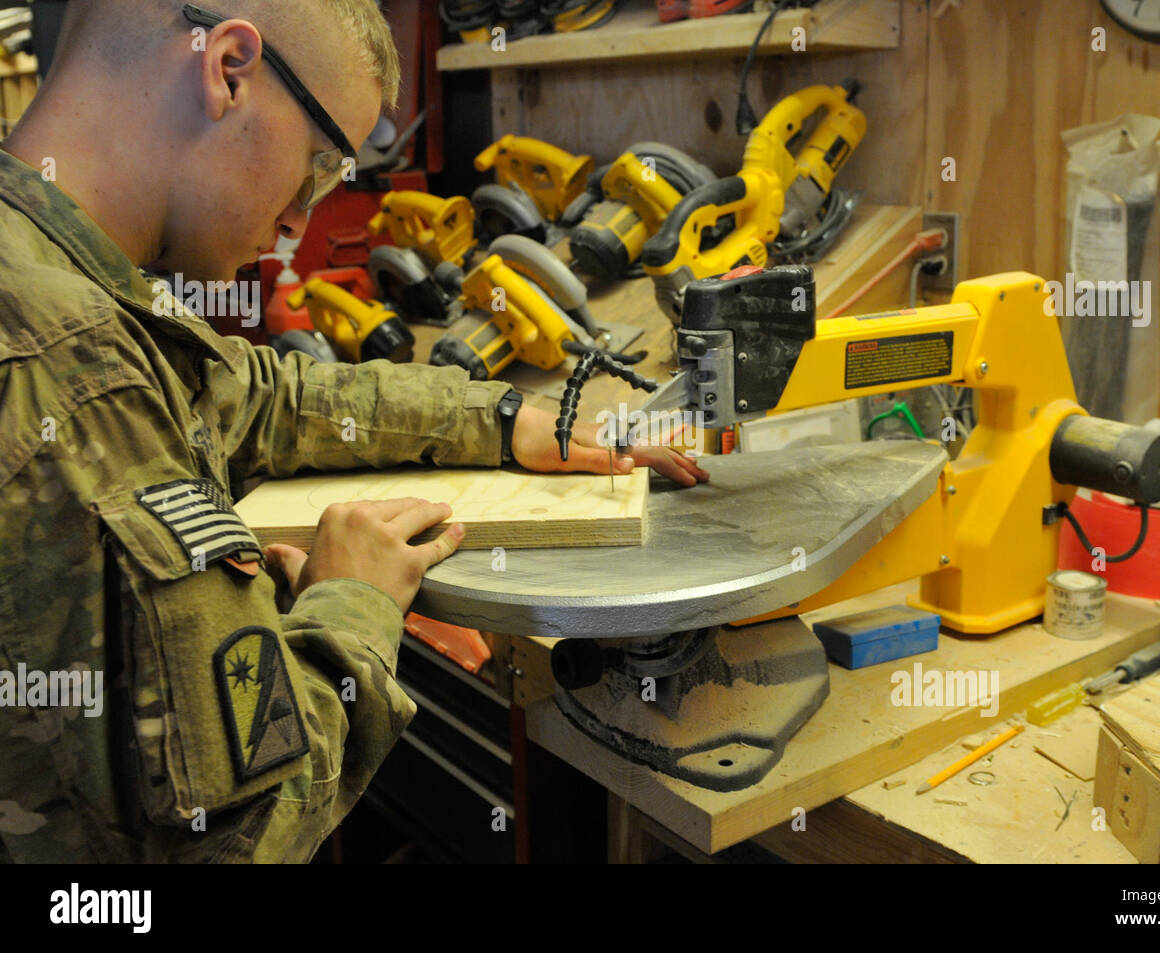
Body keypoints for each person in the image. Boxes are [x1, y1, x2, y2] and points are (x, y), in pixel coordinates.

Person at [0, 0, 708, 862]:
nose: (301, 219)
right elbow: (240, 836)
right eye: (320, 162)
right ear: (227, 69)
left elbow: (254, 395)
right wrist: (351, 608)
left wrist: (498, 417)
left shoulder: (49, 271)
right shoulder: (72, 372)